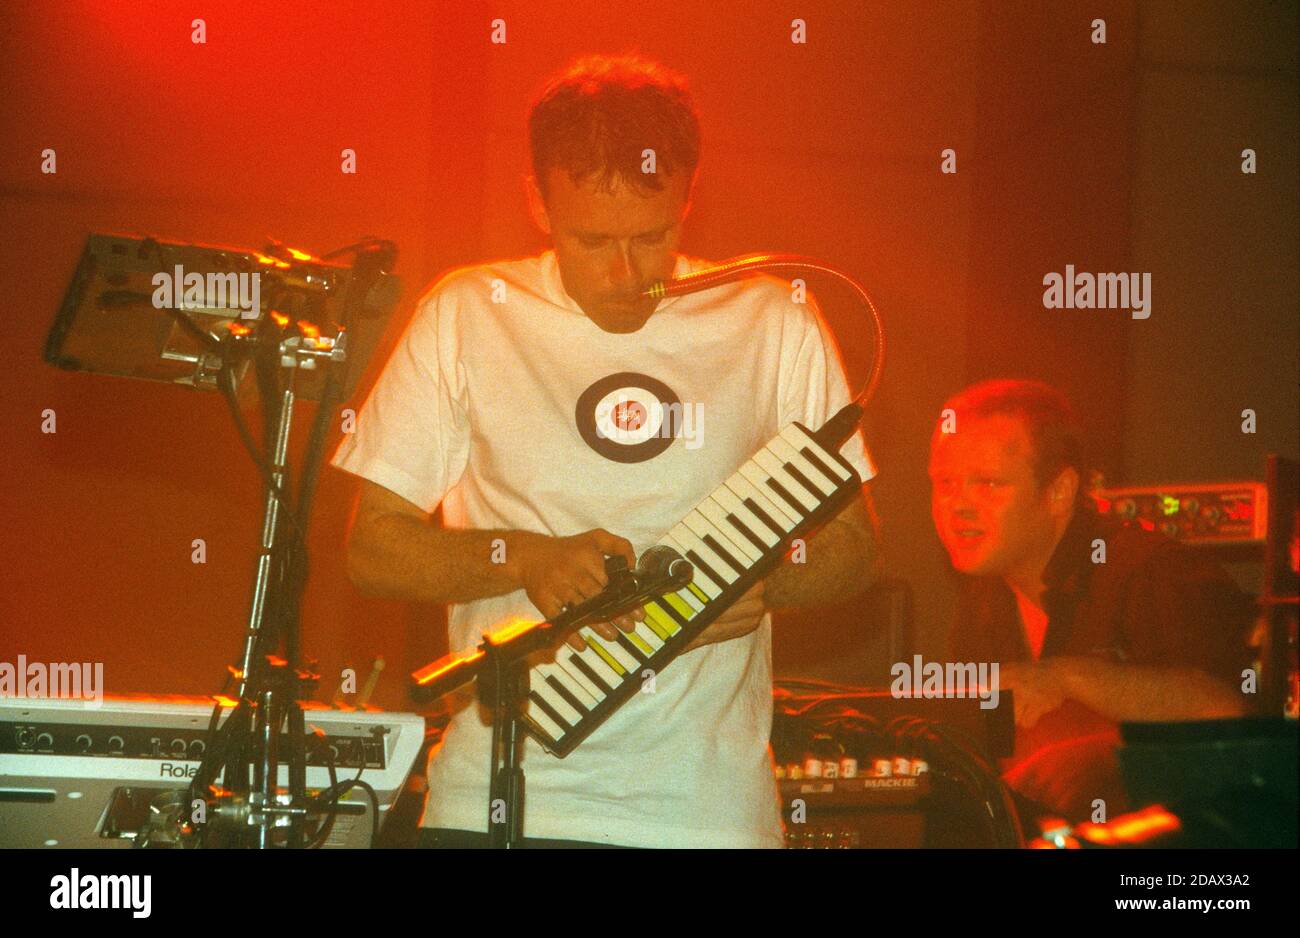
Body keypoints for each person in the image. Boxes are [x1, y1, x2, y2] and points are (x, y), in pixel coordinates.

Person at [331, 52, 881, 848]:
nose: (627, 277)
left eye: (652, 238)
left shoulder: (772, 321)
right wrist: (522, 559)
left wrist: (764, 584)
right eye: (593, 241)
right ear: (536, 201)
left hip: (706, 815)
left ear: (689, 196)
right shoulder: (466, 313)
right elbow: (372, 550)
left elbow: (854, 546)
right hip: (497, 804)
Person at [927, 378, 1252, 824]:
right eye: (944, 483)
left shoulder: (1146, 570)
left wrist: (1068, 677)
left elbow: (1232, 709)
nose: (957, 505)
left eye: (987, 484)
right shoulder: (982, 602)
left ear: (1059, 492)